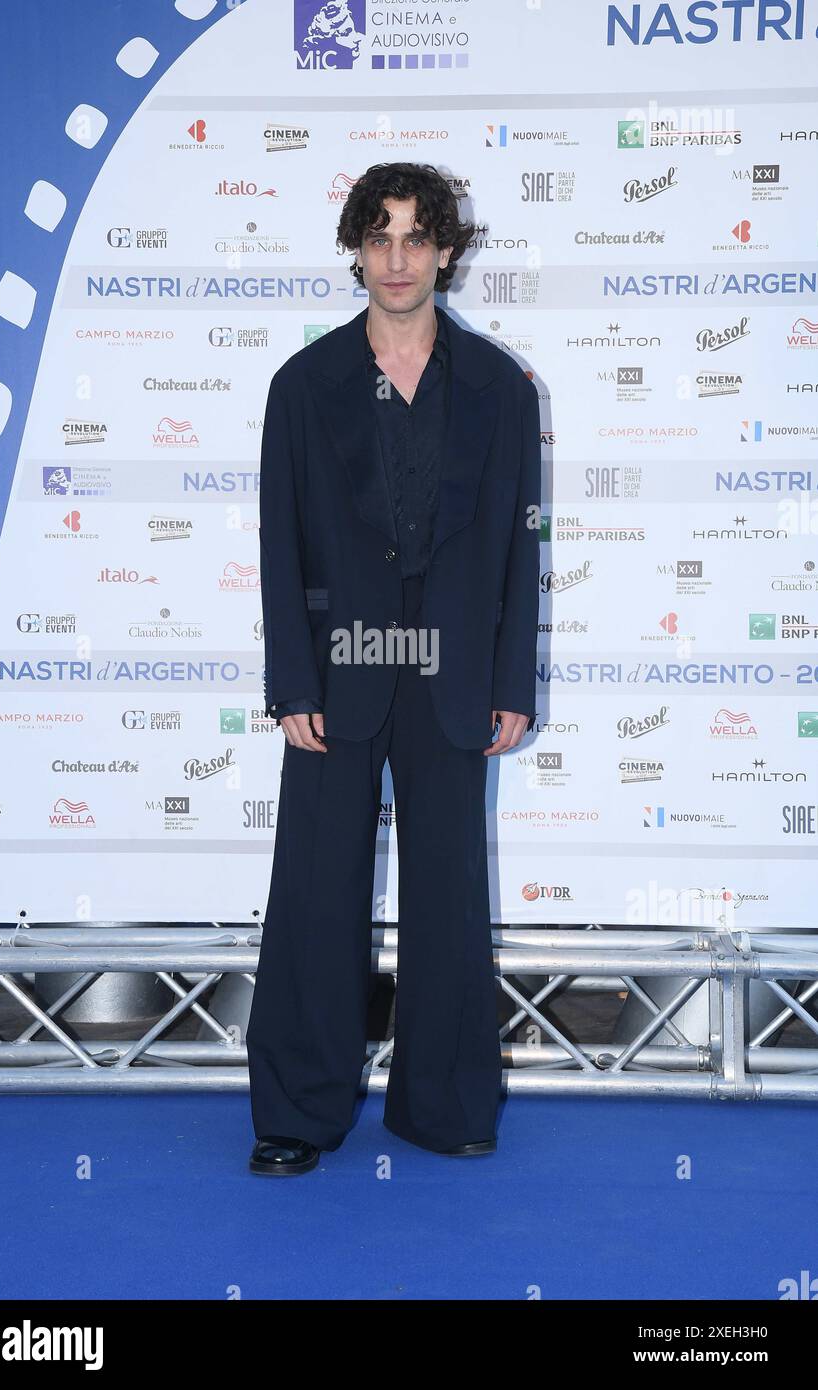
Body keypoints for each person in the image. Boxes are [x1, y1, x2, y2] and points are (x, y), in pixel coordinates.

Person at [246, 161, 541, 1175]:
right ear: (355, 249)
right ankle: (295, 1111)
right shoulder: (304, 384)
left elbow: (515, 547)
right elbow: (278, 543)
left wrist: (511, 682)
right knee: (315, 892)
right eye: (379, 236)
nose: (398, 257)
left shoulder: (501, 387)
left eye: (417, 236)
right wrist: (290, 683)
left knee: (449, 894)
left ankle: (446, 1102)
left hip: (454, 674)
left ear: (447, 249)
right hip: (337, 671)